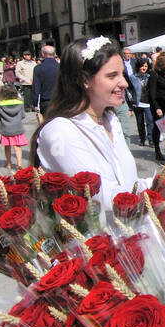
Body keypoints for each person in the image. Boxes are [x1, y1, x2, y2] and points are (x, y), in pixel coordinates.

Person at [31, 36, 140, 214]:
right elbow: (99, 198)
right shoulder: (60, 131)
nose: (124, 83)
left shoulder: (110, 119)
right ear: (84, 80)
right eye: (112, 75)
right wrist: (154, 195)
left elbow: (128, 183)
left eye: (122, 74)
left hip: (128, 233)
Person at [0, 83, 28, 171]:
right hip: (17, 128)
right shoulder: (19, 103)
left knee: (7, 146)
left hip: (6, 129)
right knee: (17, 147)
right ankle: (19, 163)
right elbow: (22, 116)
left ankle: (8, 162)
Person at [32, 44, 60, 116]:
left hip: (46, 101)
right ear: (54, 54)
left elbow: (36, 87)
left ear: (42, 54)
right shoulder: (61, 67)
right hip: (60, 100)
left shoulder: (38, 68)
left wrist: (35, 103)